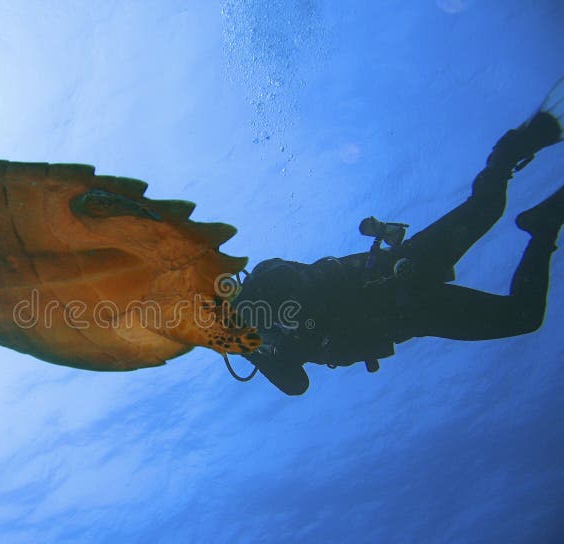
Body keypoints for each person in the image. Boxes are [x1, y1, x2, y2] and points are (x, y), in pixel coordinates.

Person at [232, 79, 564, 395]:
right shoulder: (270, 348)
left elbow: (292, 277)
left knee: (487, 208)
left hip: (396, 273)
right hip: (412, 317)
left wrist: (248, 303)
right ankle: (544, 223)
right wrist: (247, 348)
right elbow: (296, 385)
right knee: (523, 316)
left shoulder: (263, 279)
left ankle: (508, 155)